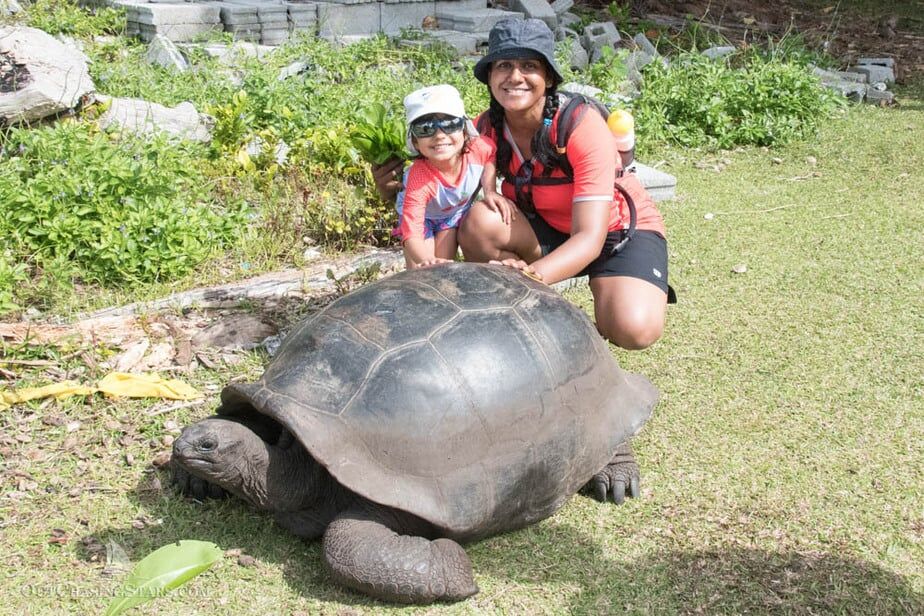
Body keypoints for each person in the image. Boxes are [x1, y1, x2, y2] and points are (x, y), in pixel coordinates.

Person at [374, 19, 672, 351]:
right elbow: (432, 188)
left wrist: (527, 275)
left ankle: (567, 303)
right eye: (504, 65)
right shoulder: (482, 130)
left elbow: (590, 238)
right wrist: (390, 189)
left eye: (529, 65)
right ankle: (528, 319)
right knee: (479, 221)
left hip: (616, 232)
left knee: (633, 329)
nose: (515, 76)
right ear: (490, 77)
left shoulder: (580, 127)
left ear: (548, 77)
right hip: (546, 226)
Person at [396, 84, 516, 269]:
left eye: (450, 124)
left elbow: (490, 155)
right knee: (421, 271)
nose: (439, 135)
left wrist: (490, 191)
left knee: (444, 267)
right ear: (415, 142)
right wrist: (425, 260)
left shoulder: (479, 148)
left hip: (451, 215)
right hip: (422, 219)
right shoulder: (420, 178)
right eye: (426, 129)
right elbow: (412, 232)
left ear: (465, 131)